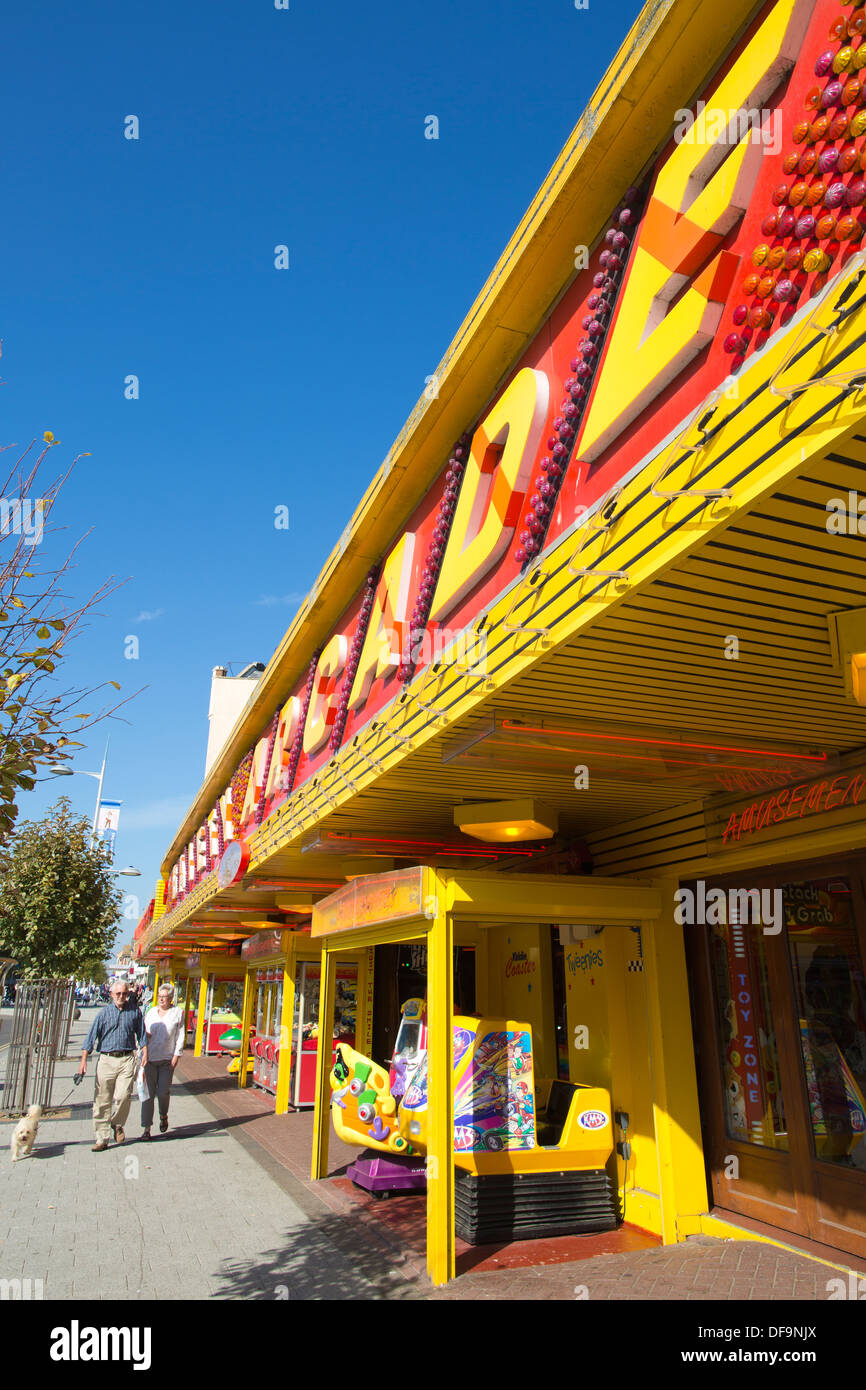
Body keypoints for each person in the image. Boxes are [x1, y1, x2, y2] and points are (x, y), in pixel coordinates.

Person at [78, 978, 146, 1152]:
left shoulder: (135, 1012)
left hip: (126, 1058)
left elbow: (142, 1034)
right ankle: (102, 1138)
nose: (121, 997)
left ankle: (117, 1123)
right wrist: (83, 1061)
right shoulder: (103, 1013)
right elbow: (91, 1038)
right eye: (118, 994)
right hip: (106, 1059)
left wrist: (145, 1053)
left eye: (124, 993)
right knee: (102, 1100)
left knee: (124, 1096)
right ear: (111, 994)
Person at [140, 984, 184, 1139]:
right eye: (159, 996)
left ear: (171, 999)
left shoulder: (177, 1013)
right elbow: (143, 1034)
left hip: (166, 1059)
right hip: (149, 1058)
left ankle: (163, 1115)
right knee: (148, 1094)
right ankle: (146, 1128)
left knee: (163, 1092)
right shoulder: (151, 1012)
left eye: (164, 997)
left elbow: (180, 1036)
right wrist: (143, 1049)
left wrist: (176, 1056)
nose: (161, 999)